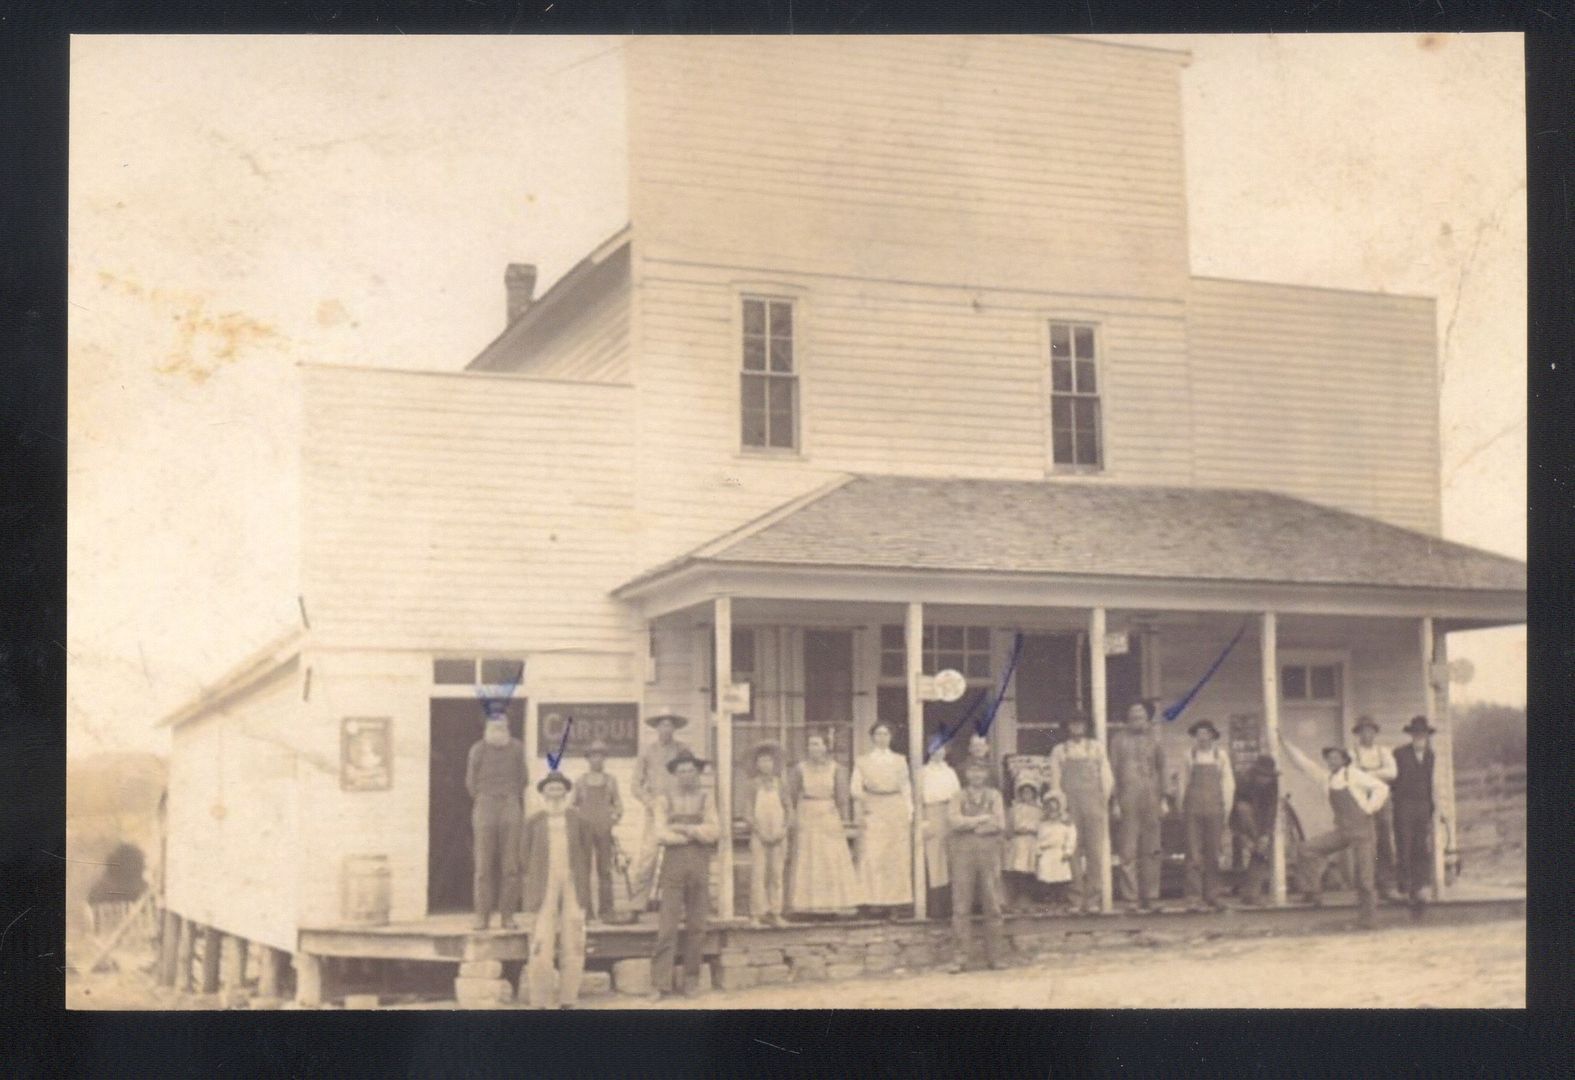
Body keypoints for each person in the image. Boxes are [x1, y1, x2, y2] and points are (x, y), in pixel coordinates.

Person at [1278, 732, 1390, 928]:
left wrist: (1369, 808)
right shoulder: (1326, 778)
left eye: (1336, 757)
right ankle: (1313, 892)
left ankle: (1369, 920)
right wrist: (1285, 743)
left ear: (1344, 759)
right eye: (1329, 758)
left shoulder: (1353, 774)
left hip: (1363, 832)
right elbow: (1303, 763)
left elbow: (1381, 787)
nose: (1332, 761)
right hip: (1343, 831)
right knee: (1307, 849)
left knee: (1364, 877)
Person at [648, 749, 718, 999]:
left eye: (690, 771)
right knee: (667, 925)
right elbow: (660, 834)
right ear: (675, 774)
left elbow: (714, 831)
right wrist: (694, 832)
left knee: (697, 924)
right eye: (681, 771)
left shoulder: (706, 798)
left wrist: (683, 828)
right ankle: (660, 983)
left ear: (697, 773)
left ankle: (691, 979)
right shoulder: (663, 799)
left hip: (699, 863)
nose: (686, 775)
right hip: (674, 863)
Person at [520, 770, 593, 1009]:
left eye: (559, 788)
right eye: (550, 788)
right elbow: (524, 857)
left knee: (574, 941)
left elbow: (585, 852)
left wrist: (581, 883)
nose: (555, 792)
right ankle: (540, 1000)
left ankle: (568, 999)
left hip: (572, 884)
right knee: (541, 943)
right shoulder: (533, 822)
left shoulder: (578, 820)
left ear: (566, 792)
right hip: (544, 886)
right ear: (543, 793)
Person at [945, 758, 1009, 972]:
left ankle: (996, 957)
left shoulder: (995, 796)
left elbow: (999, 823)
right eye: (972, 771)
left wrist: (970, 825)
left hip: (988, 855)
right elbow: (954, 821)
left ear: (986, 774)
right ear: (966, 774)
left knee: (992, 905)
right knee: (961, 906)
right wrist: (981, 819)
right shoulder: (958, 796)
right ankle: (960, 958)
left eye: (981, 771)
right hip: (963, 855)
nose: (977, 775)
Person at [786, 731, 861, 916]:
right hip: (806, 812)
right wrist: (794, 816)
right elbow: (792, 795)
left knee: (829, 856)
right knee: (808, 856)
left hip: (828, 813)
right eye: (811, 744)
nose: (814, 748)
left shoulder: (837, 769)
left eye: (818, 744)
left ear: (826, 747)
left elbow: (842, 797)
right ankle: (805, 905)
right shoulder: (799, 769)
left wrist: (838, 817)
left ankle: (834, 903)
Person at [1047, 713, 1114, 914]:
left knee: (1095, 851)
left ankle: (1093, 898)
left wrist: (1103, 800)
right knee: (1071, 849)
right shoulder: (1060, 750)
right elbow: (1055, 780)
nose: (1076, 727)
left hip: (1094, 802)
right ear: (1067, 727)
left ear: (1086, 726)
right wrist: (1060, 805)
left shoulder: (1095, 747)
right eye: (1072, 724)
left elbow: (1106, 776)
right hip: (1070, 803)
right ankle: (1075, 897)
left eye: (1080, 724)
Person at [465, 709, 526, 930]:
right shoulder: (478, 750)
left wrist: (509, 796)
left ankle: (507, 916)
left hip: (510, 803)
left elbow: (523, 778)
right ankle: (482, 916)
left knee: (511, 865)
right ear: (486, 729)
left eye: (502, 726)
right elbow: (470, 782)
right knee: (483, 866)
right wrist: (486, 797)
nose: (498, 729)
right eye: (494, 726)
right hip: (485, 805)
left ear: (508, 727)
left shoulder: (517, 748)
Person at [851, 721, 914, 917]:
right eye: (878, 734)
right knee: (871, 854)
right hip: (874, 808)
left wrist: (909, 811)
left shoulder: (900, 760)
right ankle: (869, 901)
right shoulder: (863, 761)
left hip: (895, 808)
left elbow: (906, 788)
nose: (882, 738)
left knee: (894, 857)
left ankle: (894, 903)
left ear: (891, 737)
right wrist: (866, 802)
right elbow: (855, 788)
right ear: (872, 737)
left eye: (885, 734)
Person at [629, 713, 690, 912]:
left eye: (670, 725)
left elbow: (691, 777)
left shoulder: (682, 750)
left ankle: (675, 903)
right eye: (663, 725)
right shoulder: (647, 752)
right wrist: (649, 801)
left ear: (675, 728)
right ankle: (638, 903)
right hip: (655, 808)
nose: (666, 729)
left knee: (678, 855)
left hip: (677, 809)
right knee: (648, 856)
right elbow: (635, 784)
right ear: (657, 728)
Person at [1109, 700, 1165, 912]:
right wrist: (1114, 800)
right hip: (1127, 799)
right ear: (1128, 719)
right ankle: (1130, 898)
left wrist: (1164, 799)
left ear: (1147, 718)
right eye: (1133, 715)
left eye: (1141, 715)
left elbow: (1162, 769)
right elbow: (1112, 771)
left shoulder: (1155, 740)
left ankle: (1151, 896)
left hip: (1151, 798)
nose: (1137, 719)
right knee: (1128, 850)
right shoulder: (1118, 741)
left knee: (1152, 850)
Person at [1178, 719, 1235, 912]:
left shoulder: (1221, 756)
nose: (1202, 737)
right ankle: (1193, 896)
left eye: (1206, 733)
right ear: (1195, 737)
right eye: (1199, 733)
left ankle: (1213, 894)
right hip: (1193, 810)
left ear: (1212, 735)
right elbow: (1182, 783)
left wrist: (1225, 809)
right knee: (1193, 854)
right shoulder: (1189, 756)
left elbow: (1228, 784)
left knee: (1213, 853)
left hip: (1215, 810)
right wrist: (1181, 807)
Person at [569, 739, 623, 921]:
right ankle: (586, 910)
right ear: (588, 759)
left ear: (604, 759)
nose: (596, 760)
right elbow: (572, 806)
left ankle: (607, 910)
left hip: (604, 828)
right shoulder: (581, 781)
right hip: (584, 829)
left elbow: (618, 805)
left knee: (605, 870)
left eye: (600, 756)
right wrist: (577, 823)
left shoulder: (610, 781)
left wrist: (613, 818)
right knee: (583, 869)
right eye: (593, 756)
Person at [741, 742, 793, 927]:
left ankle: (775, 912)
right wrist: (759, 831)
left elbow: (788, 809)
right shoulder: (751, 785)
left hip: (778, 835)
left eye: (769, 761)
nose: (765, 764)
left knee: (776, 874)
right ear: (756, 764)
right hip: (759, 835)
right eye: (761, 761)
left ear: (774, 763)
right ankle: (756, 914)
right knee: (758, 874)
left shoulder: (781, 784)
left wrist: (783, 830)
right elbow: (747, 812)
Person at [1392, 716, 1438, 914]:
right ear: (1411, 735)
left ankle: (1421, 888)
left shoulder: (1430, 755)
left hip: (1423, 806)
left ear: (1427, 736)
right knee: (1404, 845)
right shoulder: (1399, 754)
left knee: (1422, 847)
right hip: (1404, 805)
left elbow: (1429, 782)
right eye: (1416, 733)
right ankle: (1405, 886)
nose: (1420, 737)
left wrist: (1431, 805)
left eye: (1423, 734)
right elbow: (1393, 780)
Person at [1352, 716, 1400, 901]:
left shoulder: (1384, 752)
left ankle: (1386, 885)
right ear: (1358, 734)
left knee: (1384, 841)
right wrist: (1376, 776)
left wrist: (1368, 773)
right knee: (1365, 841)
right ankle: (1366, 887)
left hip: (1383, 799)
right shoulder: (1353, 753)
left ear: (1375, 732)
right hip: (1363, 799)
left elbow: (1393, 773)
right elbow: (1354, 775)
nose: (1367, 734)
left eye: (1370, 730)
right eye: (1363, 731)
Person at [1230, 755, 1279, 906]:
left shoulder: (1272, 787)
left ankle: (1251, 894)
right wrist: (1245, 836)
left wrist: (1264, 834)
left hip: (1261, 823)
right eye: (1261, 775)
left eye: (1267, 776)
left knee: (1260, 853)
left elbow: (1271, 810)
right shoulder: (1243, 784)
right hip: (1239, 823)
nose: (1264, 780)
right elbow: (1237, 811)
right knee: (1247, 853)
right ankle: (1244, 889)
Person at [918, 751, 961, 919]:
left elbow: (957, 796)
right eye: (935, 748)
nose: (938, 753)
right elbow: (918, 798)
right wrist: (923, 821)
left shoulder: (950, 772)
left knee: (951, 858)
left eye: (942, 749)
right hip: (932, 812)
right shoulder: (922, 772)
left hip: (950, 812)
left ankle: (951, 906)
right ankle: (935, 907)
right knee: (934, 859)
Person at [1003, 782, 1044, 911]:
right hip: (1018, 841)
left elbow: (1043, 827)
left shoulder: (1040, 810)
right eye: (1024, 792)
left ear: (1034, 794)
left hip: (1033, 841)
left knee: (1031, 871)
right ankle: (1015, 901)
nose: (1027, 795)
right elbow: (1008, 828)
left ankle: (1028, 900)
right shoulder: (1014, 809)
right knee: (1018, 870)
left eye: (1030, 792)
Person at [1034, 793, 1078, 909]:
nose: (1052, 811)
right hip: (1046, 853)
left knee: (1060, 878)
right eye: (1049, 808)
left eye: (1055, 808)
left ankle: (1060, 901)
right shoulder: (1043, 824)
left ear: (1059, 808)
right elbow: (1038, 839)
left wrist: (1068, 851)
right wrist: (1038, 851)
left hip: (1059, 853)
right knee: (1046, 878)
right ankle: (1048, 902)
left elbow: (1071, 837)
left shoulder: (1066, 823)